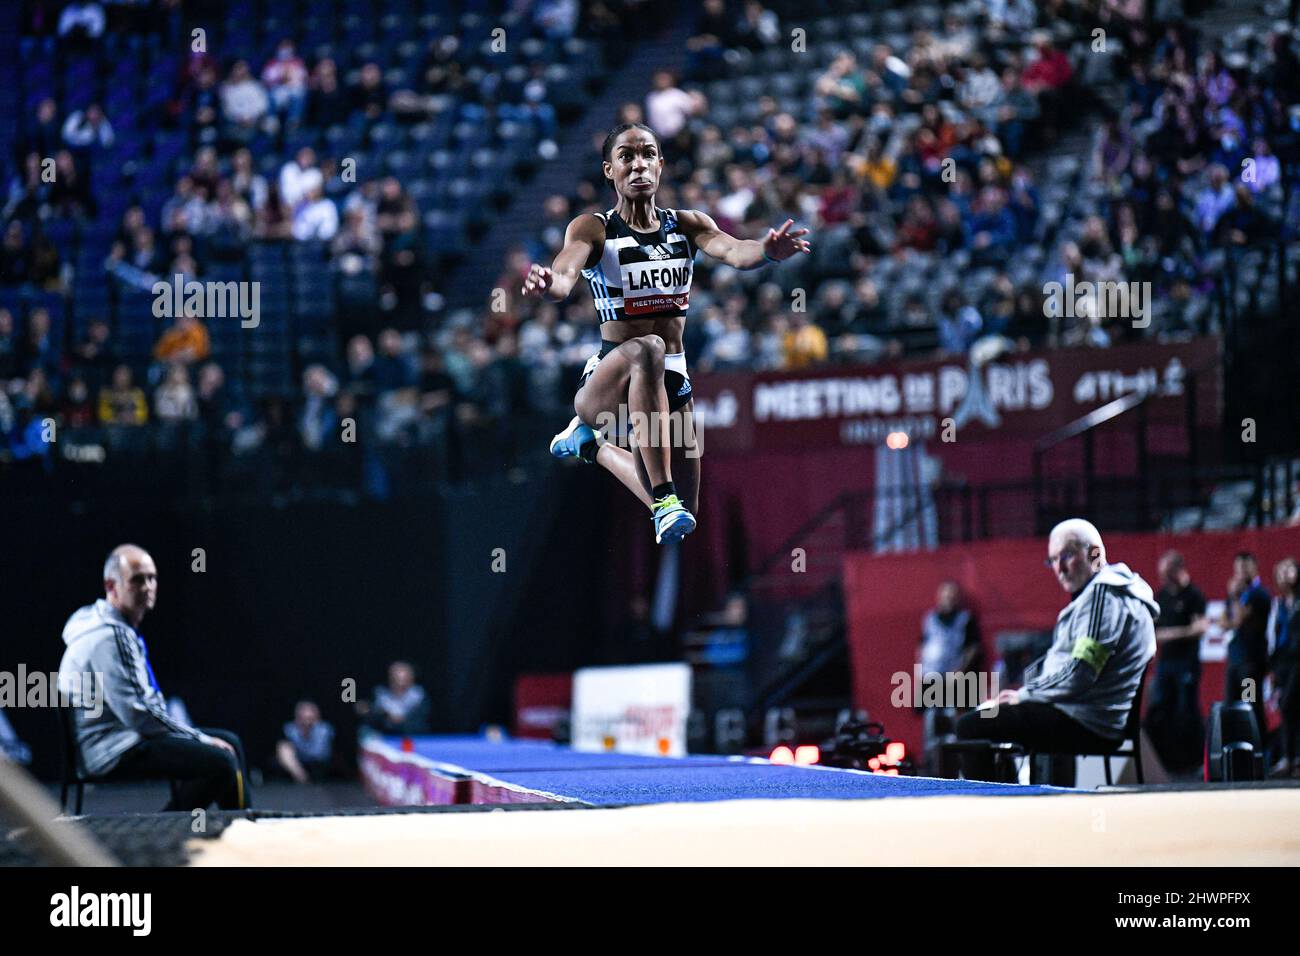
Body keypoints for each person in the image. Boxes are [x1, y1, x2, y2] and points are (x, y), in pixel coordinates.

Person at [525, 122, 811, 544]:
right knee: (648, 349)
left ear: (660, 165)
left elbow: (734, 249)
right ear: (609, 170)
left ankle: (589, 446)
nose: (637, 164)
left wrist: (766, 252)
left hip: (671, 379)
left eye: (647, 155)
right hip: (609, 378)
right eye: (626, 156)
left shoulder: (688, 225)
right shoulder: (593, 228)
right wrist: (551, 285)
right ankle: (660, 496)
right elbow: (566, 273)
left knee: (688, 512)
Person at [956, 519, 1158, 785]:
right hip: (1082, 711)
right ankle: (1010, 802)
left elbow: (1080, 673)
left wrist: (1024, 695)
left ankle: (990, 810)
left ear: (1094, 553)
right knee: (992, 712)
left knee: (971, 725)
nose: (1059, 569)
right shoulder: (1111, 594)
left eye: (1067, 556)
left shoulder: (1103, 598)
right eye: (1053, 560)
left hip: (1087, 720)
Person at [57, 545, 251, 810]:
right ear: (111, 586)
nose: (148, 586)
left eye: (152, 578)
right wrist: (200, 739)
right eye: (138, 580)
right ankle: (166, 826)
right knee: (222, 761)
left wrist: (194, 738)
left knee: (231, 743)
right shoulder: (110, 636)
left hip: (122, 738)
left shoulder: (109, 628)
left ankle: (238, 831)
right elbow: (140, 715)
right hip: (115, 748)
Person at [1144, 550, 1209, 774]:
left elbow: (1200, 629)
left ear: (1176, 570)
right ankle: (1168, 761)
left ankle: (1198, 760)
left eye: (1166, 572)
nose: (1162, 576)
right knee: (1161, 710)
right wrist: (1182, 631)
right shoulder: (1160, 597)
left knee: (1187, 711)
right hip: (1165, 664)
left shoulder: (1193, 596)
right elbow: (1154, 633)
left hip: (1186, 664)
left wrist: (1170, 633)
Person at [917, 581, 983, 771]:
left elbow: (973, 648)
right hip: (931, 679)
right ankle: (930, 765)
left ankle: (961, 766)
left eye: (952, 595)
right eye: (945, 595)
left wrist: (961, 670)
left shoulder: (965, 619)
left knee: (957, 722)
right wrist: (919, 672)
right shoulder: (929, 619)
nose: (948, 599)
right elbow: (921, 646)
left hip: (956, 680)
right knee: (930, 724)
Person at [1221, 552, 1271, 740]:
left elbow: (1238, 620)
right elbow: (1223, 622)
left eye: (1245, 568)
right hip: (1234, 661)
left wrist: (1234, 597)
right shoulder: (1237, 596)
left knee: (1249, 703)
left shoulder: (1259, 594)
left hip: (1250, 664)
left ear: (1254, 568)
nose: (1241, 573)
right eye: (1238, 568)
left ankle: (1258, 749)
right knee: (1230, 705)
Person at [1267, 557, 1298, 776]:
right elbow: (1272, 636)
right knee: (1249, 698)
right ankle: (1286, 757)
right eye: (1281, 571)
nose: (1285, 575)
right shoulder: (1278, 604)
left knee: (1288, 704)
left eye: (1290, 570)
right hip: (1278, 664)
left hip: (1298, 661)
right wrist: (1272, 668)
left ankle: (1291, 757)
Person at [357, 661, 432, 735]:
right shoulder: (380, 694)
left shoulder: (419, 695)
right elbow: (370, 716)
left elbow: (421, 722)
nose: (400, 682)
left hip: (413, 739)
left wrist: (400, 720)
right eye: (395, 678)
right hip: (383, 739)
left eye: (404, 678)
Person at [275, 701, 335, 783]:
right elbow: (284, 752)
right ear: (297, 718)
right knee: (284, 748)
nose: (306, 722)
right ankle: (303, 778)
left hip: (320, 765)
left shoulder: (324, 730)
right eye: (303, 718)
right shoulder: (289, 729)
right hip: (297, 766)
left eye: (310, 719)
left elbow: (319, 753)